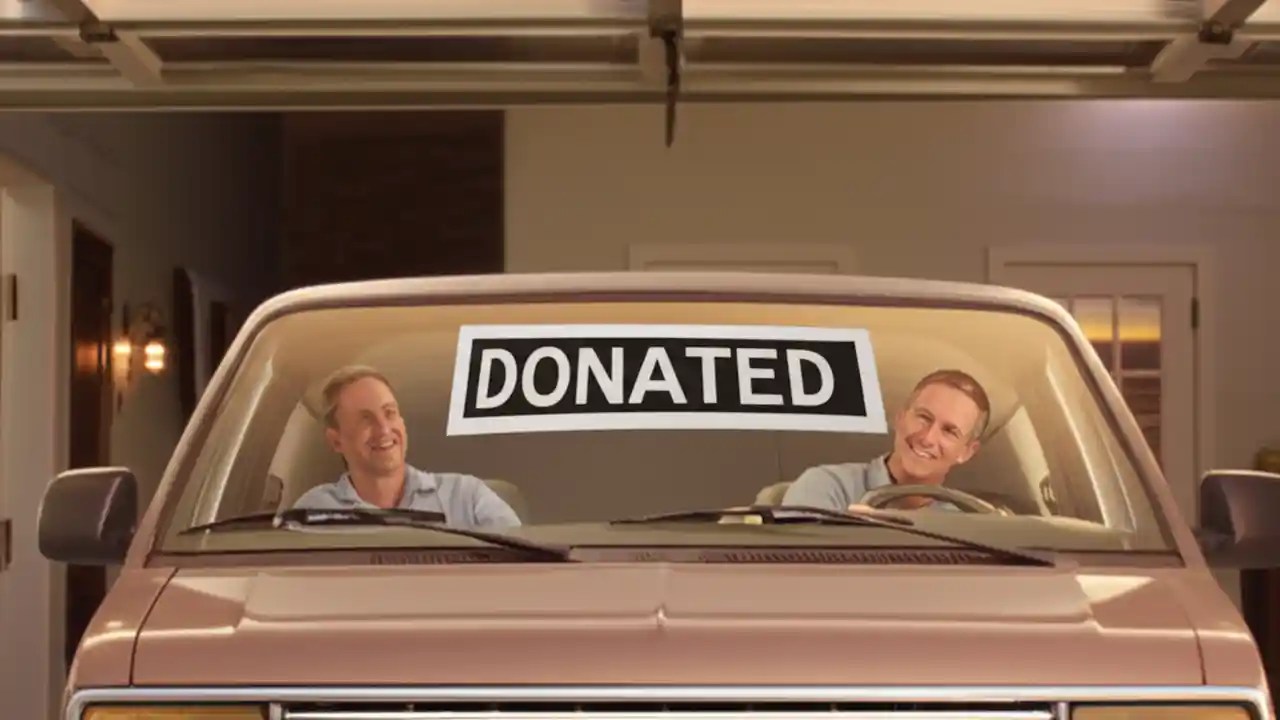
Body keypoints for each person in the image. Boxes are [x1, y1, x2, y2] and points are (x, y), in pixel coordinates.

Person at [292, 364, 521, 529]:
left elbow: (523, 573)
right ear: (336, 441)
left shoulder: (467, 497)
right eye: (365, 419)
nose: (384, 429)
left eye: (389, 413)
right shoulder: (312, 512)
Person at [781, 368, 989, 514]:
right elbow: (798, 573)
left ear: (967, 452)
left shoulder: (966, 526)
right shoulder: (827, 487)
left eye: (949, 431)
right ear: (899, 418)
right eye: (924, 418)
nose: (928, 438)